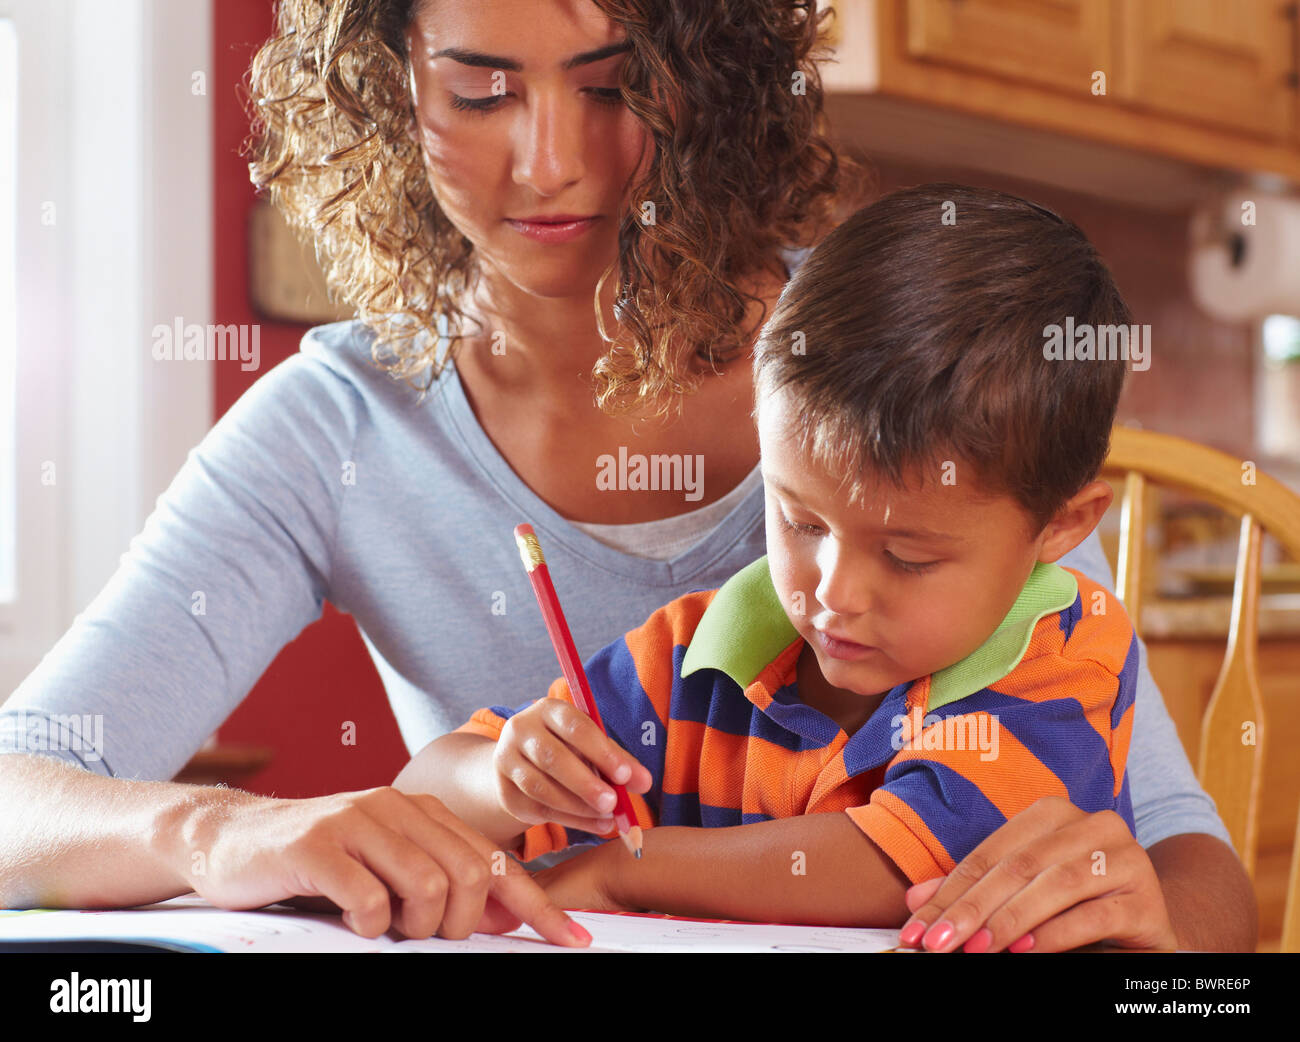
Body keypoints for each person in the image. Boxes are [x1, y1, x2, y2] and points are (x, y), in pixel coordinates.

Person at [0, 0, 1254, 951]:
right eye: (480, 91)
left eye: (616, 88)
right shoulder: (331, 430)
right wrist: (224, 831)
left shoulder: (895, 359)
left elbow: (1193, 869)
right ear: (390, 94)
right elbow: (19, 791)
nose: (550, 163)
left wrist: (1146, 929)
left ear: (710, 85)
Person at [409, 182, 1147, 938]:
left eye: (907, 557)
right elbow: (420, 802)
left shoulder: (1065, 653)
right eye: (800, 519)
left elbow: (901, 865)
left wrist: (623, 869)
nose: (836, 592)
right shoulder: (695, 655)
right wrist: (505, 777)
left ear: (1062, 527)